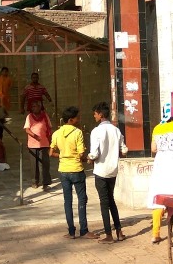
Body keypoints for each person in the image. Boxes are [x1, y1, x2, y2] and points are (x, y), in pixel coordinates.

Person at [145, 110, 173, 244]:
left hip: (160, 166)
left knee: (159, 197)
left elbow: (153, 149)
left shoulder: (157, 128)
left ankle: (155, 234)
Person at [87, 101, 128, 243]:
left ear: (101, 114)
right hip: (113, 170)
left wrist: (89, 158)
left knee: (104, 203)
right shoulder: (116, 130)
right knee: (111, 201)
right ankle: (119, 231)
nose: (94, 116)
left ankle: (109, 235)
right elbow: (124, 150)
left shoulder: (96, 131)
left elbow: (94, 153)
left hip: (101, 171)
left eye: (95, 114)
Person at [50, 107, 90, 239]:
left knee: (67, 201)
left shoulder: (56, 133)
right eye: (77, 117)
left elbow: (51, 152)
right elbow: (81, 154)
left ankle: (71, 231)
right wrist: (87, 159)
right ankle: (83, 230)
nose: (78, 120)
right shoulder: (77, 132)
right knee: (82, 200)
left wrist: (62, 155)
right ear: (71, 119)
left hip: (63, 170)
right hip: (76, 169)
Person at [23, 99, 52, 189]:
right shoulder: (29, 117)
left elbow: (49, 128)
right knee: (34, 164)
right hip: (33, 144)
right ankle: (35, 181)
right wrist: (35, 136)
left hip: (44, 143)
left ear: (40, 107)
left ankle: (45, 182)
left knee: (44, 163)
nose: (33, 108)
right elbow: (27, 129)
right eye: (32, 107)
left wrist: (51, 141)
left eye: (35, 106)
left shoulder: (45, 116)